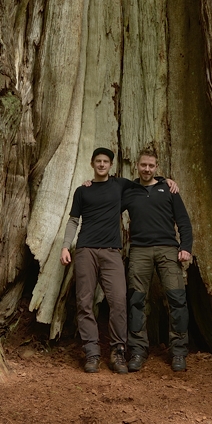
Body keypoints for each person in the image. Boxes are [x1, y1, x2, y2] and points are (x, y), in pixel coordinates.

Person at [60, 147, 133, 374]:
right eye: (98, 161)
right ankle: (91, 353)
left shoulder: (120, 185)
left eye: (106, 161)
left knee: (119, 300)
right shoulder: (82, 191)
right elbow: (73, 220)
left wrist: (165, 181)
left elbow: (145, 183)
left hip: (111, 252)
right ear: (92, 163)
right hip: (86, 250)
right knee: (84, 301)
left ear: (111, 165)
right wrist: (65, 246)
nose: (102, 164)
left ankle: (118, 351)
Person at [123, 148, 193, 373]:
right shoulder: (129, 191)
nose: (147, 169)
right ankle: (137, 350)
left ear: (156, 167)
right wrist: (89, 184)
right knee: (136, 300)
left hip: (168, 250)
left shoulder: (169, 190)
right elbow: (107, 201)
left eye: (151, 166)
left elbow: (183, 221)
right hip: (139, 251)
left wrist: (185, 247)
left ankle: (178, 351)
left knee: (177, 299)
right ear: (137, 165)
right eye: (143, 165)